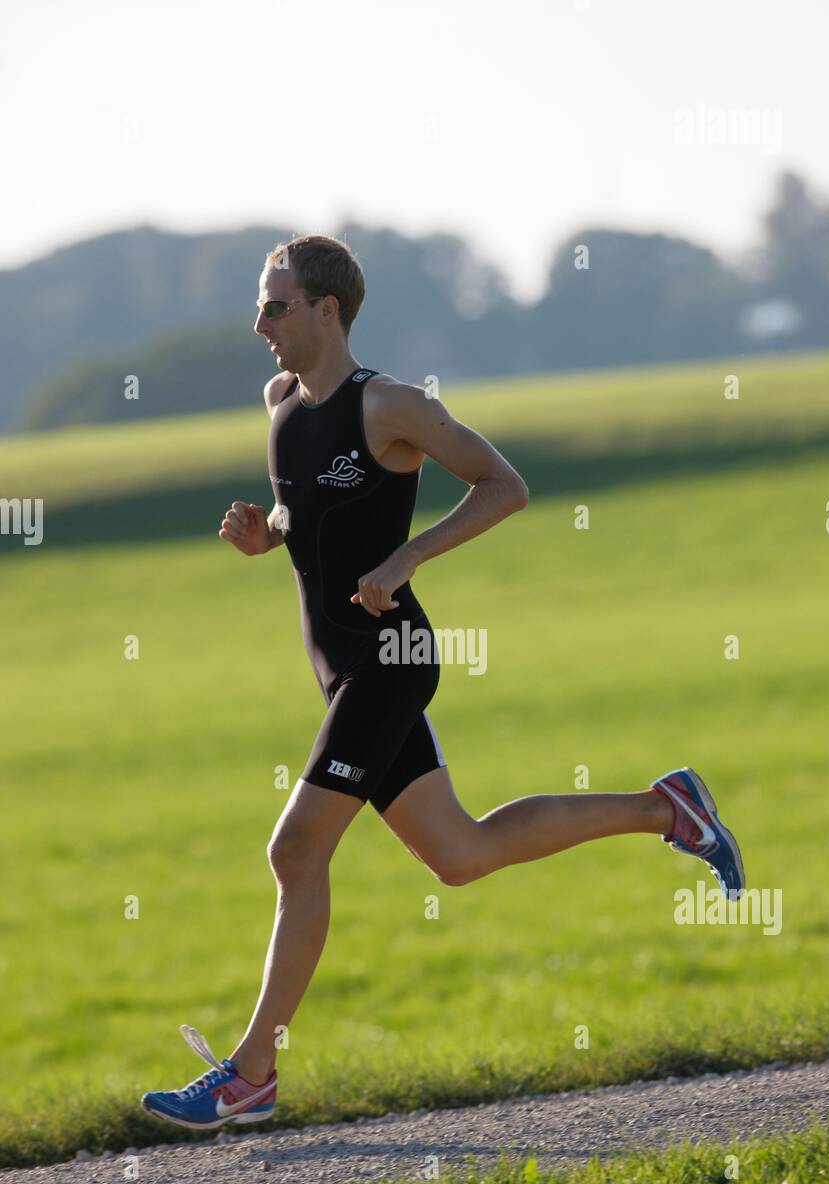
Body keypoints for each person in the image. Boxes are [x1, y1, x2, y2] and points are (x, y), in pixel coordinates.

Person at [141, 235, 744, 1130]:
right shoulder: (279, 403)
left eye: (274, 305)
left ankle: (251, 1073)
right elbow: (305, 510)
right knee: (459, 855)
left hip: (391, 658)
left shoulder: (392, 406)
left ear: (326, 311)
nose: (259, 323)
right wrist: (267, 535)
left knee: (294, 852)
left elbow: (506, 485)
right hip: (340, 668)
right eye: (260, 306)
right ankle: (671, 809)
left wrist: (410, 553)